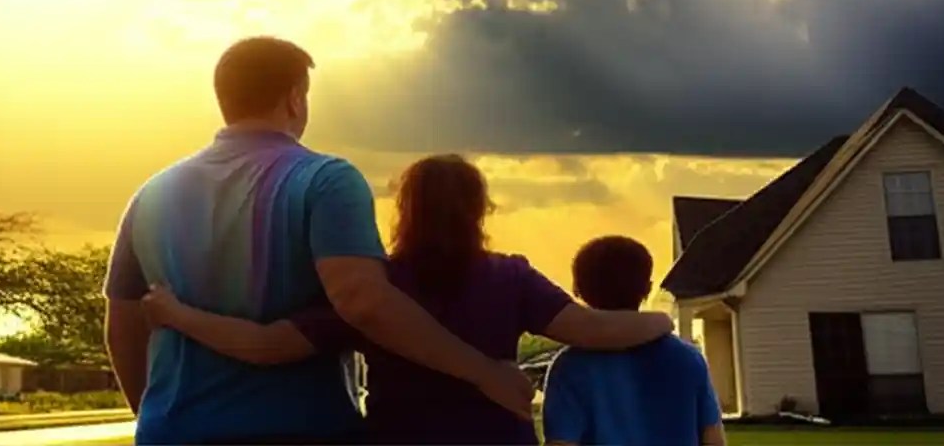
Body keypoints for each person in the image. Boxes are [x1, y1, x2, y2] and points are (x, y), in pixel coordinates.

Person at [103, 37, 533, 445]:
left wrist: (154, 417)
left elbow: (123, 323)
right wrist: (484, 372)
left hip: (173, 431)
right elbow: (363, 302)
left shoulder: (151, 194)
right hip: (298, 429)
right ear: (295, 98)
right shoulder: (325, 180)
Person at [141, 154, 675, 445]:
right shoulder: (510, 277)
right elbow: (596, 330)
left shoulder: (374, 287)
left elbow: (265, 346)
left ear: (404, 211)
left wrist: (176, 314)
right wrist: (663, 323)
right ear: (479, 210)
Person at [541, 236, 726, 446]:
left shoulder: (570, 368)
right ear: (648, 288)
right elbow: (713, 439)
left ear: (578, 291)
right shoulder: (689, 359)